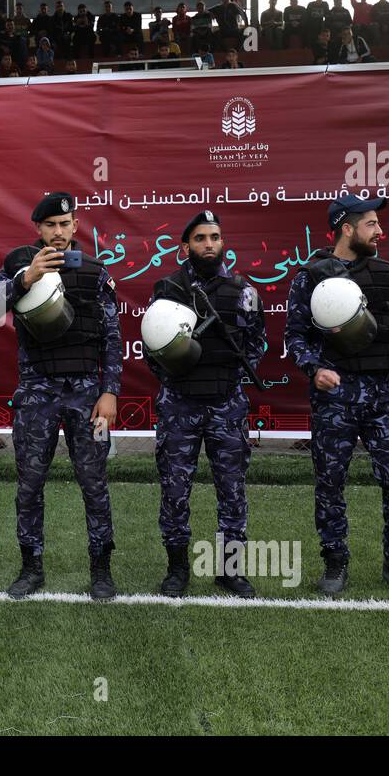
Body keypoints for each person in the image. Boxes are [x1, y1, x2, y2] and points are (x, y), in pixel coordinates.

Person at [284, 196, 389, 596]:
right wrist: (315, 369)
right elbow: (294, 336)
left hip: (384, 394)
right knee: (330, 481)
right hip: (336, 397)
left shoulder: (385, 275)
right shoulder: (310, 277)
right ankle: (334, 561)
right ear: (346, 228)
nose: (380, 232)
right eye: (371, 224)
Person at [0, 192, 122, 600]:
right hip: (36, 393)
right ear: (38, 229)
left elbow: (113, 338)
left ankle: (101, 569)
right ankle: (30, 567)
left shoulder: (95, 271)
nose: (58, 232)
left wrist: (110, 392)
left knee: (94, 482)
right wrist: (25, 279)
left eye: (64, 224)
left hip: (87, 395)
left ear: (75, 226)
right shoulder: (16, 266)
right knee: (29, 484)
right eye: (50, 226)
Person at [148, 212, 265, 597]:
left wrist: (224, 366)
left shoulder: (243, 291)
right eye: (200, 238)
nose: (209, 244)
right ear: (186, 247)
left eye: (215, 236)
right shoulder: (167, 289)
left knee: (231, 489)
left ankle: (230, 570)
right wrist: (178, 366)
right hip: (179, 405)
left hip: (226, 404)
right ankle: (177, 568)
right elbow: (153, 349)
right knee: (175, 489)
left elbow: (256, 345)